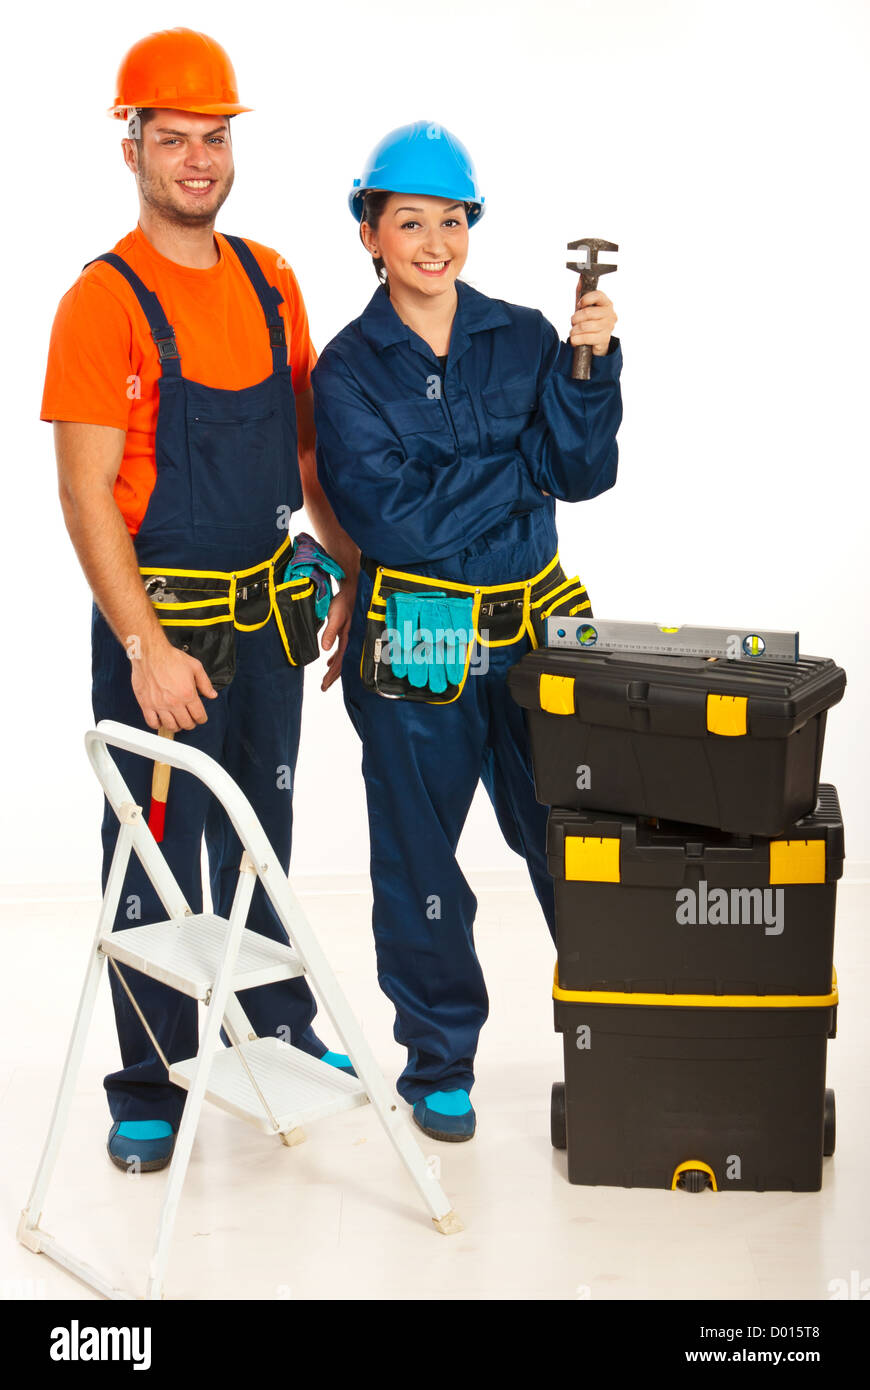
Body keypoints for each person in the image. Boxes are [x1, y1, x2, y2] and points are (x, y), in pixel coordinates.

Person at [40, 28, 359, 1172]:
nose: (196, 158)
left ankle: (273, 1026)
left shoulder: (274, 280)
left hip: (269, 615)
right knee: (154, 853)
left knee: (260, 837)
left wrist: (351, 569)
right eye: (171, 137)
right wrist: (142, 644)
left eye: (212, 136)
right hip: (163, 625)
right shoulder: (102, 301)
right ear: (131, 145)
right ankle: (150, 1077)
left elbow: (311, 453)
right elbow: (84, 497)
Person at [312, 121, 622, 1142]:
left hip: (535, 627)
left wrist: (587, 371)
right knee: (423, 865)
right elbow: (396, 523)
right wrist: (520, 465)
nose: (434, 241)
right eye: (410, 221)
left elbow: (580, 472)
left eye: (452, 220)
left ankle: (617, 1037)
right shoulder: (348, 370)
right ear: (371, 232)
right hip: (420, 632)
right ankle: (439, 1060)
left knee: (574, 843)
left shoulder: (528, 333)